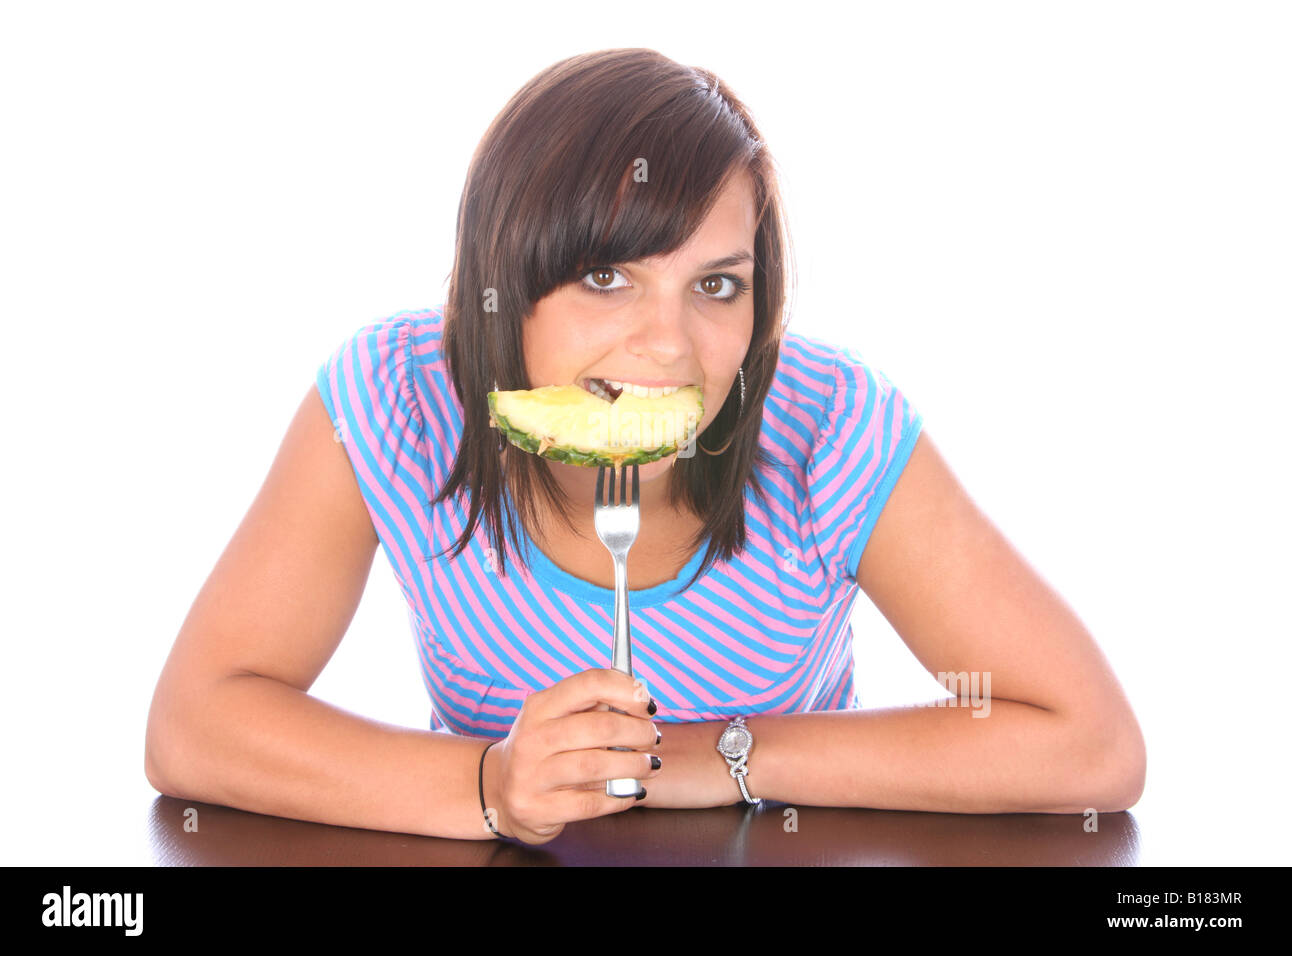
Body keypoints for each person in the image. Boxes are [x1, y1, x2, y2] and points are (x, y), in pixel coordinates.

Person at [145, 48, 1146, 847]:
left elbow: (1089, 744)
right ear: (501, 289)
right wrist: (491, 784)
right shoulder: (395, 399)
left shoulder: (827, 421)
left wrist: (728, 755)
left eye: (716, 285)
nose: (671, 348)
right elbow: (197, 720)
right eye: (606, 277)